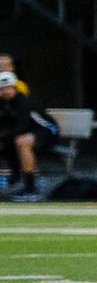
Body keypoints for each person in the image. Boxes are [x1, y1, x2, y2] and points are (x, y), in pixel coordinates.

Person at [0, 72, 54, 201]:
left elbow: (22, 127)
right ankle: (13, 179)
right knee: (15, 141)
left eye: (9, 87)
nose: (6, 91)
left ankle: (31, 189)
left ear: (15, 88)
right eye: (2, 89)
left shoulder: (23, 102)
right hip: (17, 135)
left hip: (46, 133)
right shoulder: (3, 104)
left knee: (22, 141)